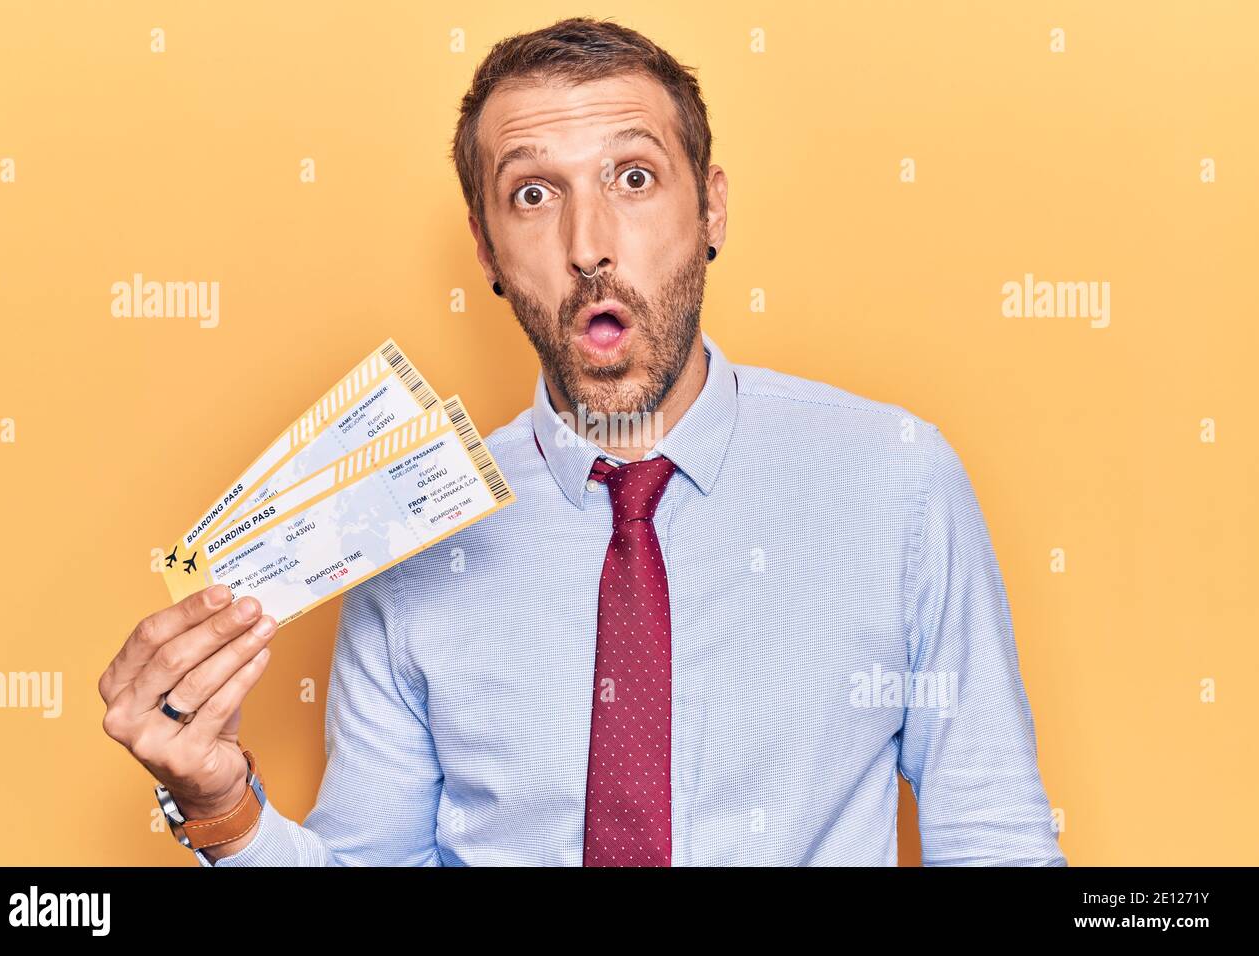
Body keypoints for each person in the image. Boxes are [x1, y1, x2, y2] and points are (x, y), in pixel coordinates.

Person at [100, 16, 1065, 866]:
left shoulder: (894, 479)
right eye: (533, 195)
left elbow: (994, 840)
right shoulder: (413, 539)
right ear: (484, 245)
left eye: (634, 178)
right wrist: (222, 810)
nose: (589, 242)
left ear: (712, 207)